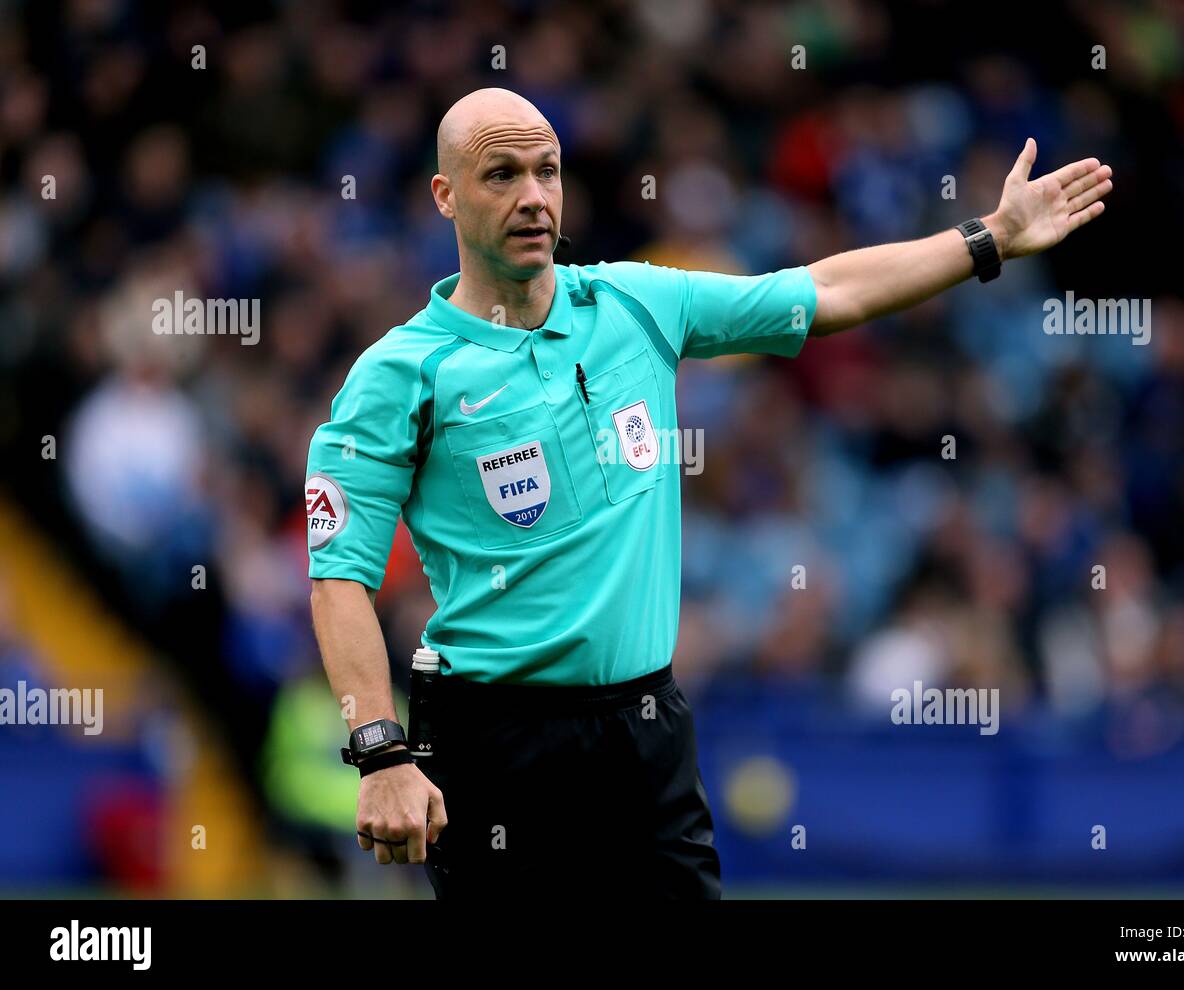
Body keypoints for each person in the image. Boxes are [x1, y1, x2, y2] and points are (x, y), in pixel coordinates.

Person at [305, 87, 1112, 899]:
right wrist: (381, 752)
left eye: (547, 172)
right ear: (445, 194)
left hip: (647, 726)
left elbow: (826, 292)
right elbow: (339, 578)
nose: (533, 198)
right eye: (501, 175)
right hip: (496, 738)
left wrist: (991, 237)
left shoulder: (633, 304)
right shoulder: (400, 374)